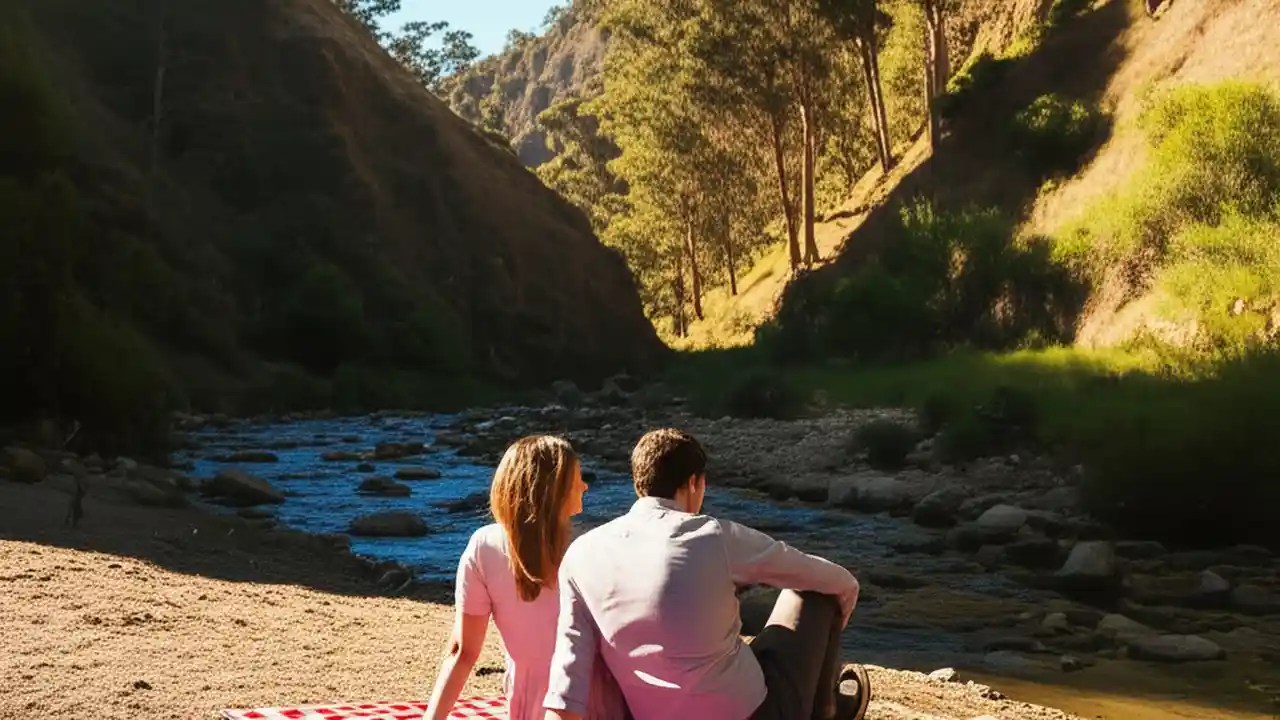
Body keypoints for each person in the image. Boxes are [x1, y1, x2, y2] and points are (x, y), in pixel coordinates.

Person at [544, 429, 870, 720]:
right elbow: (835, 581)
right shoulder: (713, 535)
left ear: (638, 483)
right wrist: (833, 626)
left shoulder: (582, 553)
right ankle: (827, 709)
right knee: (813, 592)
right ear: (694, 483)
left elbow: (568, 675)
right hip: (754, 712)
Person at [423, 436, 629, 720]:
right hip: (594, 706)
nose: (585, 486)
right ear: (554, 490)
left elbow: (462, 652)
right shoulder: (593, 547)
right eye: (577, 478)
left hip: (529, 707)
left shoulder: (483, 546)